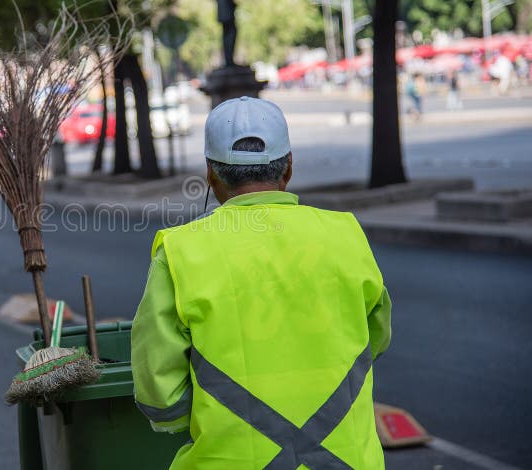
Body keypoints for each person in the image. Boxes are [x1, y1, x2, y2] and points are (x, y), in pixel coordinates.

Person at [132, 96, 391, 469]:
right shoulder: (345, 235)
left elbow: (160, 396)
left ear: (211, 175)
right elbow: (376, 339)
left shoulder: (180, 252)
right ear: (287, 170)